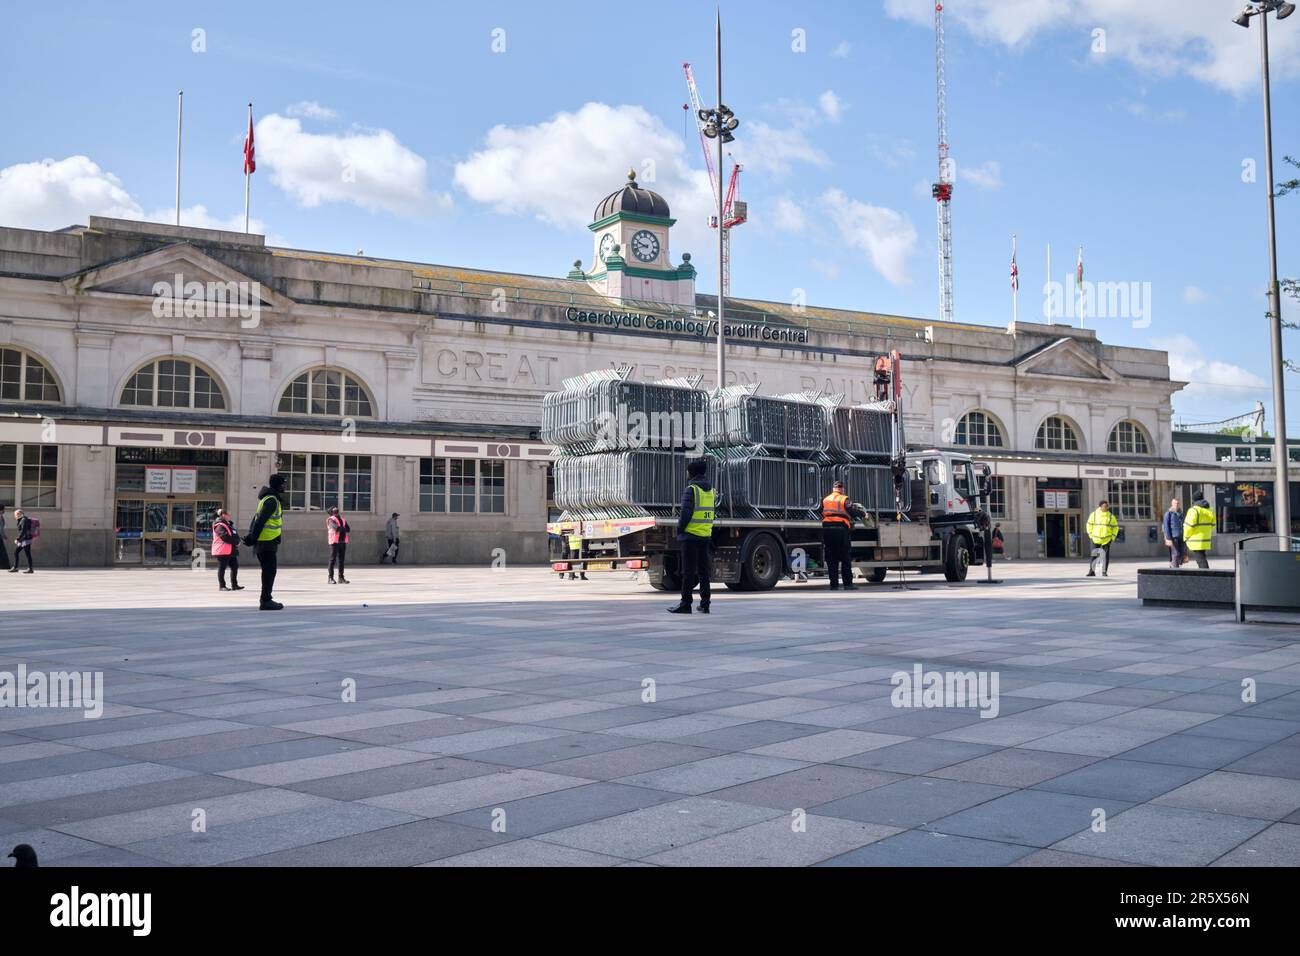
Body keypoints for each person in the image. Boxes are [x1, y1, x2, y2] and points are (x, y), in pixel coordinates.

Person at [668, 459, 714, 615]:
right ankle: (705, 604)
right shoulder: (710, 490)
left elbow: (685, 514)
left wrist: (680, 530)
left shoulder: (692, 489)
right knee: (703, 572)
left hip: (691, 536)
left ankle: (685, 604)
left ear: (692, 473)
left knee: (688, 572)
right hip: (705, 535)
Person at [243, 474, 285, 610]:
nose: (285, 486)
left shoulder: (268, 498)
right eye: (283, 484)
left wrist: (251, 537)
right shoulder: (271, 500)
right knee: (269, 571)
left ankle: (266, 599)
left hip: (266, 541)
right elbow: (260, 521)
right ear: (278, 485)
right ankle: (265, 600)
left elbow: (255, 519)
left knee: (268, 571)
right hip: (266, 541)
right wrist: (252, 537)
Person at [818, 479, 866, 591]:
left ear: (833, 489)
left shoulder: (826, 499)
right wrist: (863, 514)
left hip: (827, 530)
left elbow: (821, 511)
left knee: (831, 559)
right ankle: (848, 584)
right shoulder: (844, 499)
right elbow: (853, 511)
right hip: (840, 529)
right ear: (842, 489)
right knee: (845, 557)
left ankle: (833, 585)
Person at [211, 508, 244, 592]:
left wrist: (238, 541)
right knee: (222, 568)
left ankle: (234, 585)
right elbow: (225, 537)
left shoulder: (228, 524)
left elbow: (233, 535)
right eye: (228, 514)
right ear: (223, 515)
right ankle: (222, 586)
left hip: (230, 549)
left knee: (235, 566)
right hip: (222, 550)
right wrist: (236, 542)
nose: (230, 516)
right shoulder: (219, 525)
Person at [1085, 500, 1118, 577]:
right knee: (1094, 556)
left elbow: (1115, 528)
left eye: (1107, 506)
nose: (1106, 507)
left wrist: (1112, 538)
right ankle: (1092, 572)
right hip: (1096, 539)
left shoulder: (1111, 516)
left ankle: (1104, 572)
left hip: (1106, 540)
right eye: (1104, 506)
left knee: (1105, 557)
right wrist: (1091, 536)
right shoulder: (1094, 515)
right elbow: (1089, 525)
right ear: (1100, 507)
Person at [1184, 496, 1215, 569]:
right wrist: (1205, 531)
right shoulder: (1210, 510)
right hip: (1205, 539)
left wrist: (1186, 537)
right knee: (1202, 557)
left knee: (1200, 560)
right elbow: (1213, 525)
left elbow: (1188, 526)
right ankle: (1206, 575)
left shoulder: (1193, 510)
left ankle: (1206, 576)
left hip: (1196, 540)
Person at [327, 506, 350, 584]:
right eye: (334, 508)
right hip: (334, 542)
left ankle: (341, 578)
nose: (336, 508)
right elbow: (336, 528)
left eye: (336, 508)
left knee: (341, 560)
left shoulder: (342, 519)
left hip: (342, 541)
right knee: (332, 560)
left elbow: (348, 529)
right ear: (331, 512)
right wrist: (342, 528)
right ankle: (330, 578)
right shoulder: (331, 519)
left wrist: (341, 528)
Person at [1162, 498, 1186, 569]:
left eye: (1178, 503)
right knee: (1176, 553)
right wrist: (1168, 538)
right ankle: (1175, 570)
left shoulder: (1181, 514)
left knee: (1181, 554)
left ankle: (1173, 565)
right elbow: (1166, 526)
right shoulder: (1168, 514)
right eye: (1175, 503)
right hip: (1173, 537)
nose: (1176, 505)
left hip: (1181, 536)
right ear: (1172, 504)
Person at [9, 509, 34, 574]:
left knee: (26, 554)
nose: (15, 516)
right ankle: (16, 567)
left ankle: (29, 569)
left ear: (18, 514)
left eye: (15, 515)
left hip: (25, 539)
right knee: (17, 552)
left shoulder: (23, 520)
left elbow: (23, 531)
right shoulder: (23, 519)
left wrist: (18, 539)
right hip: (25, 539)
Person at [0, 504, 8, 571]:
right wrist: (3, 535)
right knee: (2, 552)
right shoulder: (0, 517)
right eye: (3, 509)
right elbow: (0, 528)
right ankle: (3, 565)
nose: (4, 510)